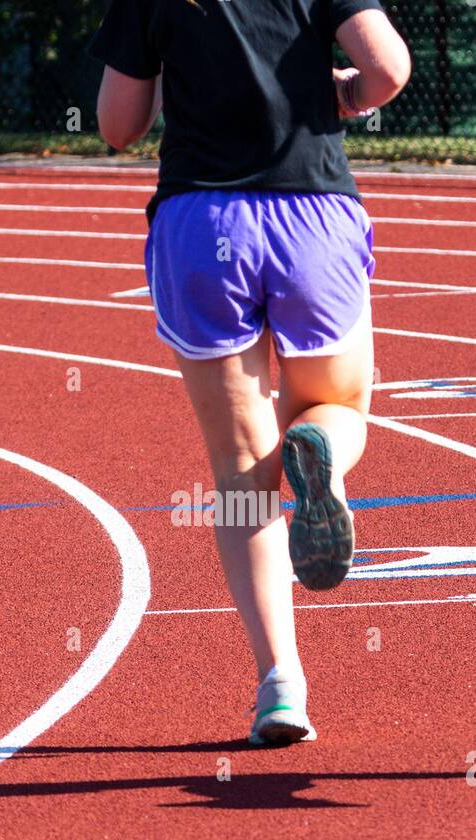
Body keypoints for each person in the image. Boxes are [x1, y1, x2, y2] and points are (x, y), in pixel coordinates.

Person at [91, 1, 410, 745]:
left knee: (240, 471)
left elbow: (116, 125)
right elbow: (389, 68)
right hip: (312, 210)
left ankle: (280, 685)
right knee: (339, 405)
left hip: (202, 222)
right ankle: (321, 464)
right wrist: (348, 94)